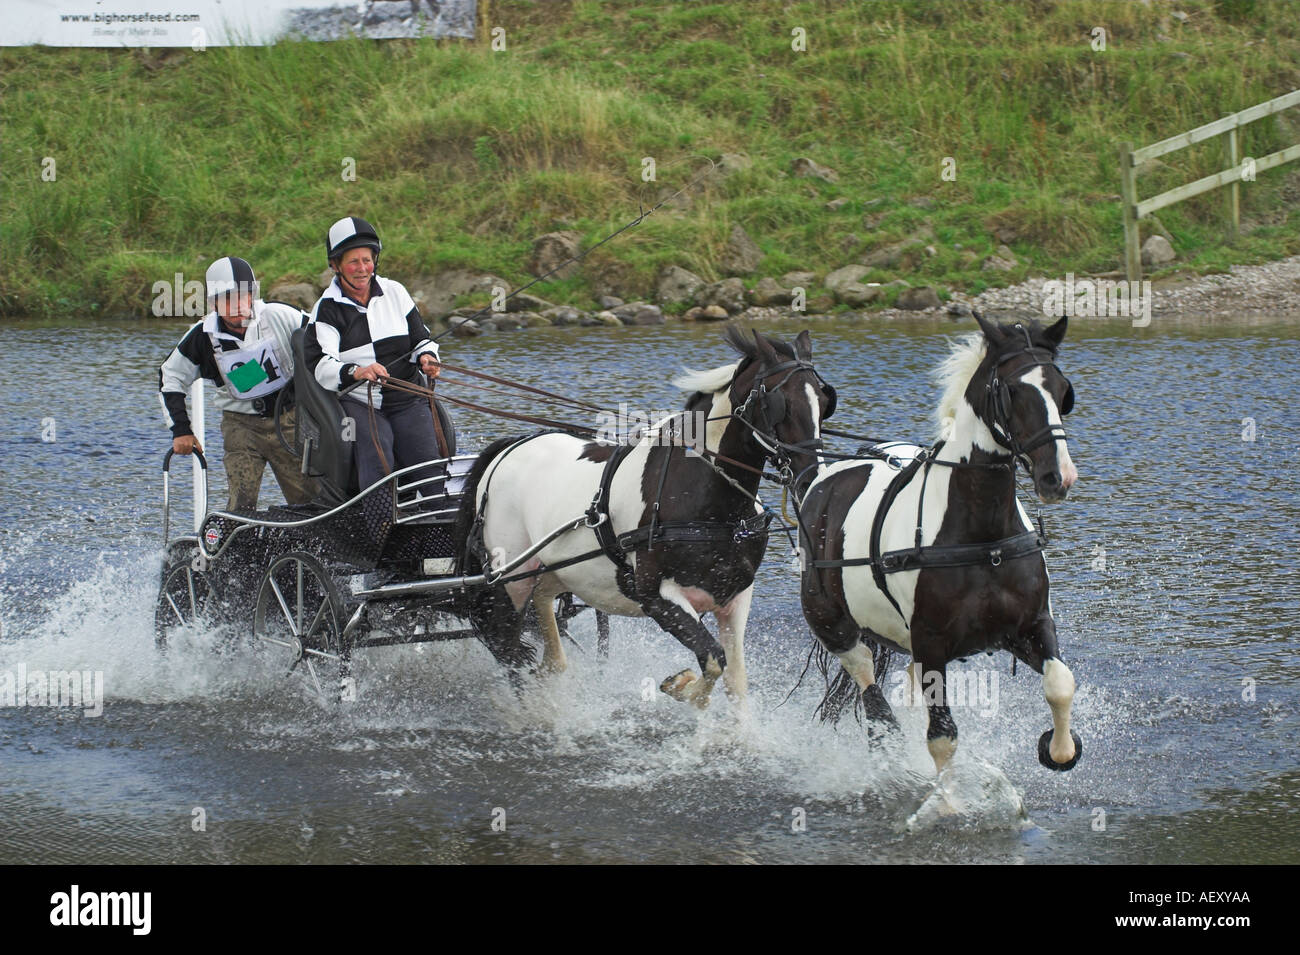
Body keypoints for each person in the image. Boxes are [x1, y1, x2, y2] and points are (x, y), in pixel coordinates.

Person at [303, 216, 448, 518]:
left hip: (406, 397)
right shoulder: (326, 309)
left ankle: (448, 530)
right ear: (335, 265)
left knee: (428, 462)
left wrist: (428, 358)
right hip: (360, 401)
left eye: (367, 260)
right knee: (378, 452)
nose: (362, 268)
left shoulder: (395, 291)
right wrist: (357, 372)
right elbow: (320, 365)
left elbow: (422, 339)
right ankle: (381, 530)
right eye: (353, 261)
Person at [159, 256, 317, 512]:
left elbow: (326, 340)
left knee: (310, 500)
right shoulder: (201, 337)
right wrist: (181, 430)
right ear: (213, 303)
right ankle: (235, 548)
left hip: (290, 422)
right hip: (241, 427)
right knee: (241, 502)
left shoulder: (281, 316)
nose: (237, 305)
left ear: (253, 294)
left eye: (243, 296)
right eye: (227, 298)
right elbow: (170, 378)